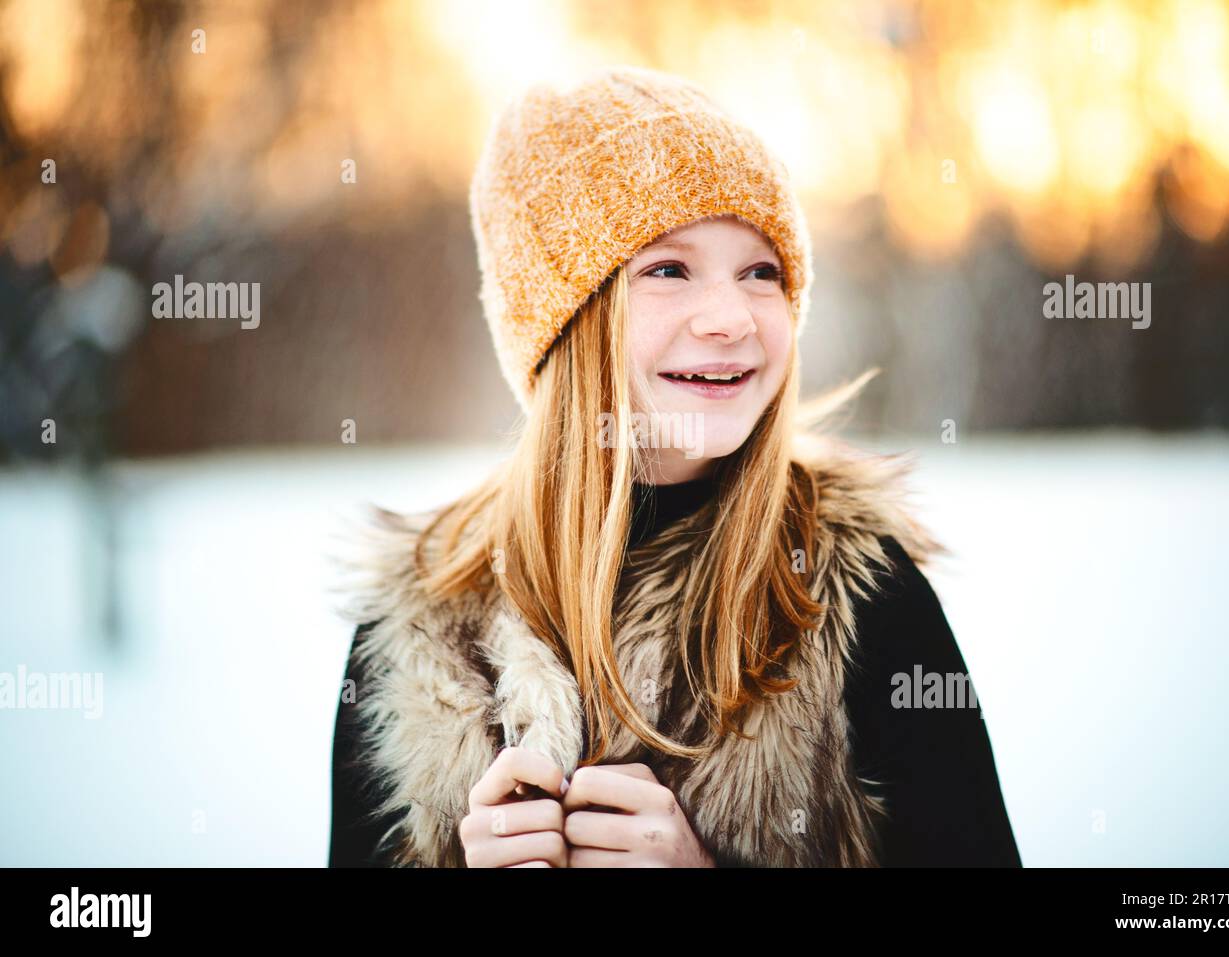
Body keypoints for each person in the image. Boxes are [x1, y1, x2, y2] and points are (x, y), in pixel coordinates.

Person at [328, 65, 1020, 868]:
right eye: (668, 269)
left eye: (761, 271)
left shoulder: (856, 596)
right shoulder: (419, 633)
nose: (731, 319)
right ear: (564, 324)